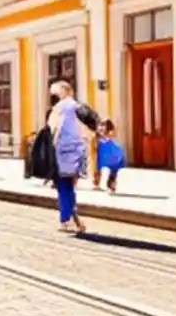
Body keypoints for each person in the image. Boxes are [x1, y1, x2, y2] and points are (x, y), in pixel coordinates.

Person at [47, 80, 88, 233]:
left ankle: (67, 220)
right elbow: (88, 128)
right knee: (69, 186)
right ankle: (72, 219)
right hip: (76, 151)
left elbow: (53, 130)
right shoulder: (77, 107)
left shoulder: (59, 109)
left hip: (61, 152)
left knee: (63, 186)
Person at [94, 119, 126, 193]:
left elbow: (111, 138)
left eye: (104, 125)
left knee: (114, 168)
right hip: (104, 154)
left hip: (110, 154)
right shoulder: (99, 134)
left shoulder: (110, 133)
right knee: (98, 167)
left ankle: (111, 183)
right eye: (101, 125)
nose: (102, 127)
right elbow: (96, 142)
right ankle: (99, 183)